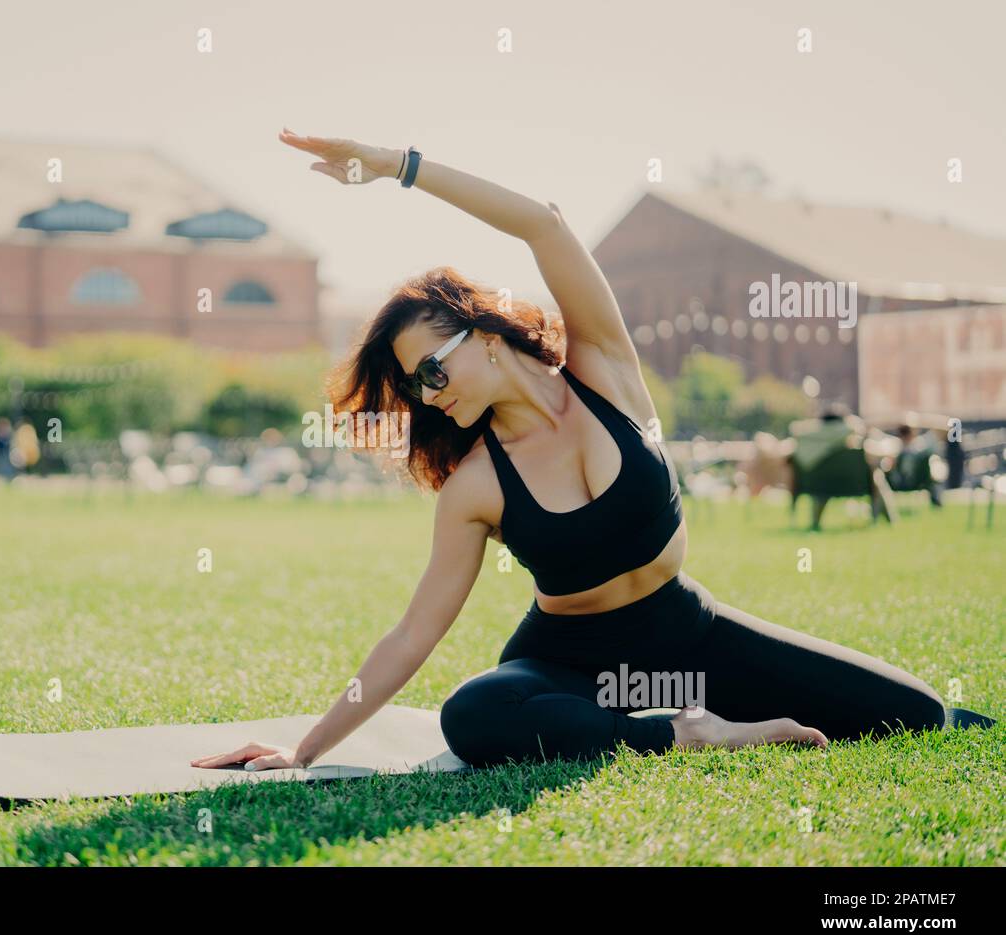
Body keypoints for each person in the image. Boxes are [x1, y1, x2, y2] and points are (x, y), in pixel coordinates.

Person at [191, 132, 996, 774]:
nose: (430, 394)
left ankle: (692, 712)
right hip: (571, 666)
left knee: (920, 715)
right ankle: (687, 737)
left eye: (433, 368)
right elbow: (412, 634)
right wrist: (305, 747)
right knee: (475, 713)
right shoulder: (475, 486)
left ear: (488, 334)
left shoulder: (604, 370)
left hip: (691, 639)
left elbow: (542, 222)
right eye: (416, 388)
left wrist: (396, 165)